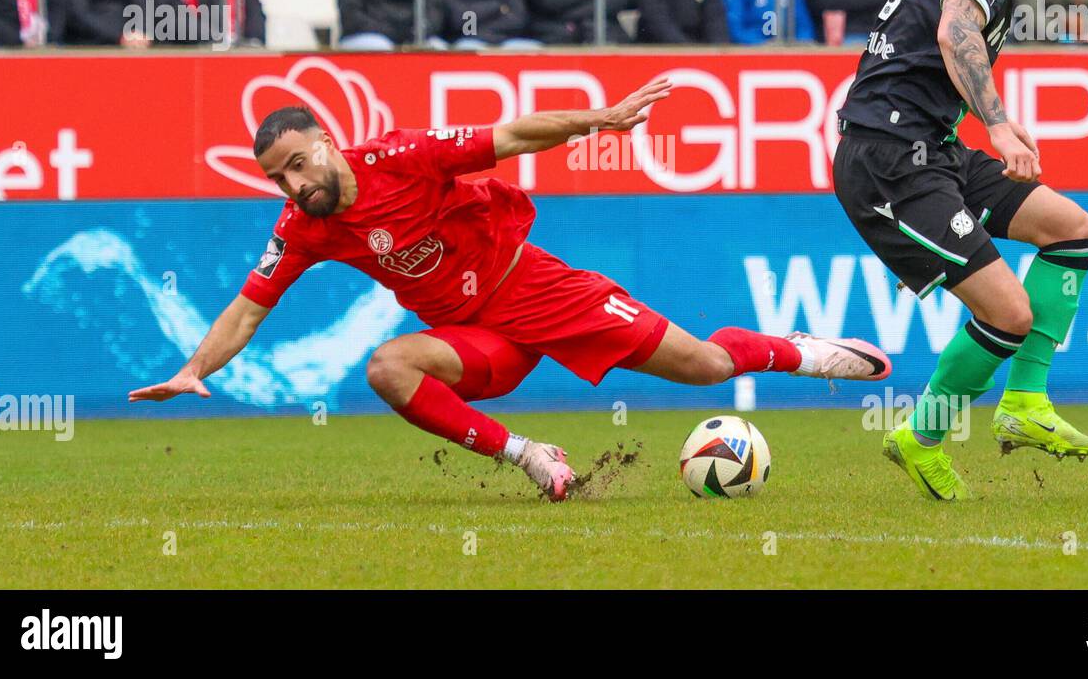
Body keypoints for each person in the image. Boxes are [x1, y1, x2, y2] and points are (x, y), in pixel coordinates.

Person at [127, 96, 892, 500]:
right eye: (278, 178)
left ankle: (805, 351)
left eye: (297, 163)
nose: (293, 185)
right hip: (474, 337)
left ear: (325, 139)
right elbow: (247, 308)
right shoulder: (304, 227)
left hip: (537, 289)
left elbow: (515, 134)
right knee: (387, 368)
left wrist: (602, 119)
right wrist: (198, 367)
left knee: (704, 365)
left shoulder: (403, 156)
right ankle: (532, 458)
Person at [835, 0, 1088, 500]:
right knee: (1008, 312)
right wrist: (1002, 126)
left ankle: (1025, 401)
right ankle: (920, 437)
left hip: (934, 147)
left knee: (1072, 232)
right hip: (890, 157)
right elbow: (955, 29)